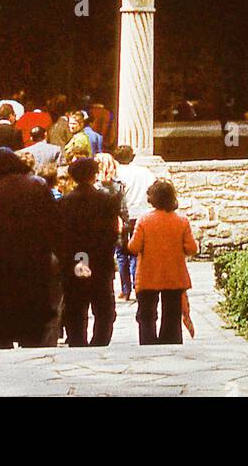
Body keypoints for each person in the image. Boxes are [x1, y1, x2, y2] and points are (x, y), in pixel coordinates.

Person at [0, 148, 59, 348]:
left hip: (0, 263)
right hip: (33, 259)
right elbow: (53, 222)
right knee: (31, 308)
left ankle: (3, 343)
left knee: (3, 310)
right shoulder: (38, 185)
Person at [128, 178, 198, 345]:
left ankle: (148, 343)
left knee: (146, 315)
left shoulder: (144, 220)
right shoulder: (181, 221)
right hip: (173, 275)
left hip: (148, 274)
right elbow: (192, 248)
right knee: (172, 315)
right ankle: (170, 343)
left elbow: (134, 247)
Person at [58, 157, 118, 347]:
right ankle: (100, 340)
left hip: (77, 258)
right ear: (94, 175)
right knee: (103, 305)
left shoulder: (64, 203)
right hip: (100, 258)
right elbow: (112, 233)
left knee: (75, 303)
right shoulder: (107, 201)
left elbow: (61, 236)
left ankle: (77, 340)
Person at [114, 145, 152, 301]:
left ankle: (125, 289)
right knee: (137, 251)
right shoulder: (144, 172)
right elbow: (153, 187)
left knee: (122, 253)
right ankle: (138, 285)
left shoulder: (116, 173)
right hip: (141, 213)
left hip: (123, 216)